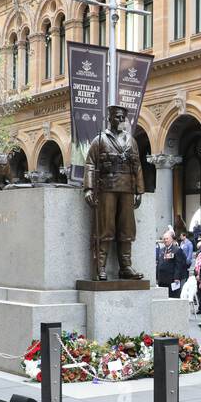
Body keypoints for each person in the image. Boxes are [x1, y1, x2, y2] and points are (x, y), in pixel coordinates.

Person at [82, 105, 144, 281]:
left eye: (123, 117)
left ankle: (126, 266)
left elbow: (137, 166)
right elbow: (90, 164)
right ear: (109, 118)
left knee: (127, 228)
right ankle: (100, 267)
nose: (121, 120)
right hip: (107, 188)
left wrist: (139, 190)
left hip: (127, 189)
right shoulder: (99, 140)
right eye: (117, 117)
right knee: (105, 227)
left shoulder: (131, 140)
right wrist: (89, 188)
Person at [155, 230, 188, 298]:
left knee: (173, 297)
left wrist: (176, 277)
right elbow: (159, 264)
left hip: (172, 280)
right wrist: (157, 277)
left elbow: (178, 265)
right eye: (164, 239)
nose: (165, 240)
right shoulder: (161, 250)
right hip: (162, 280)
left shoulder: (177, 250)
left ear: (171, 239)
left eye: (167, 238)